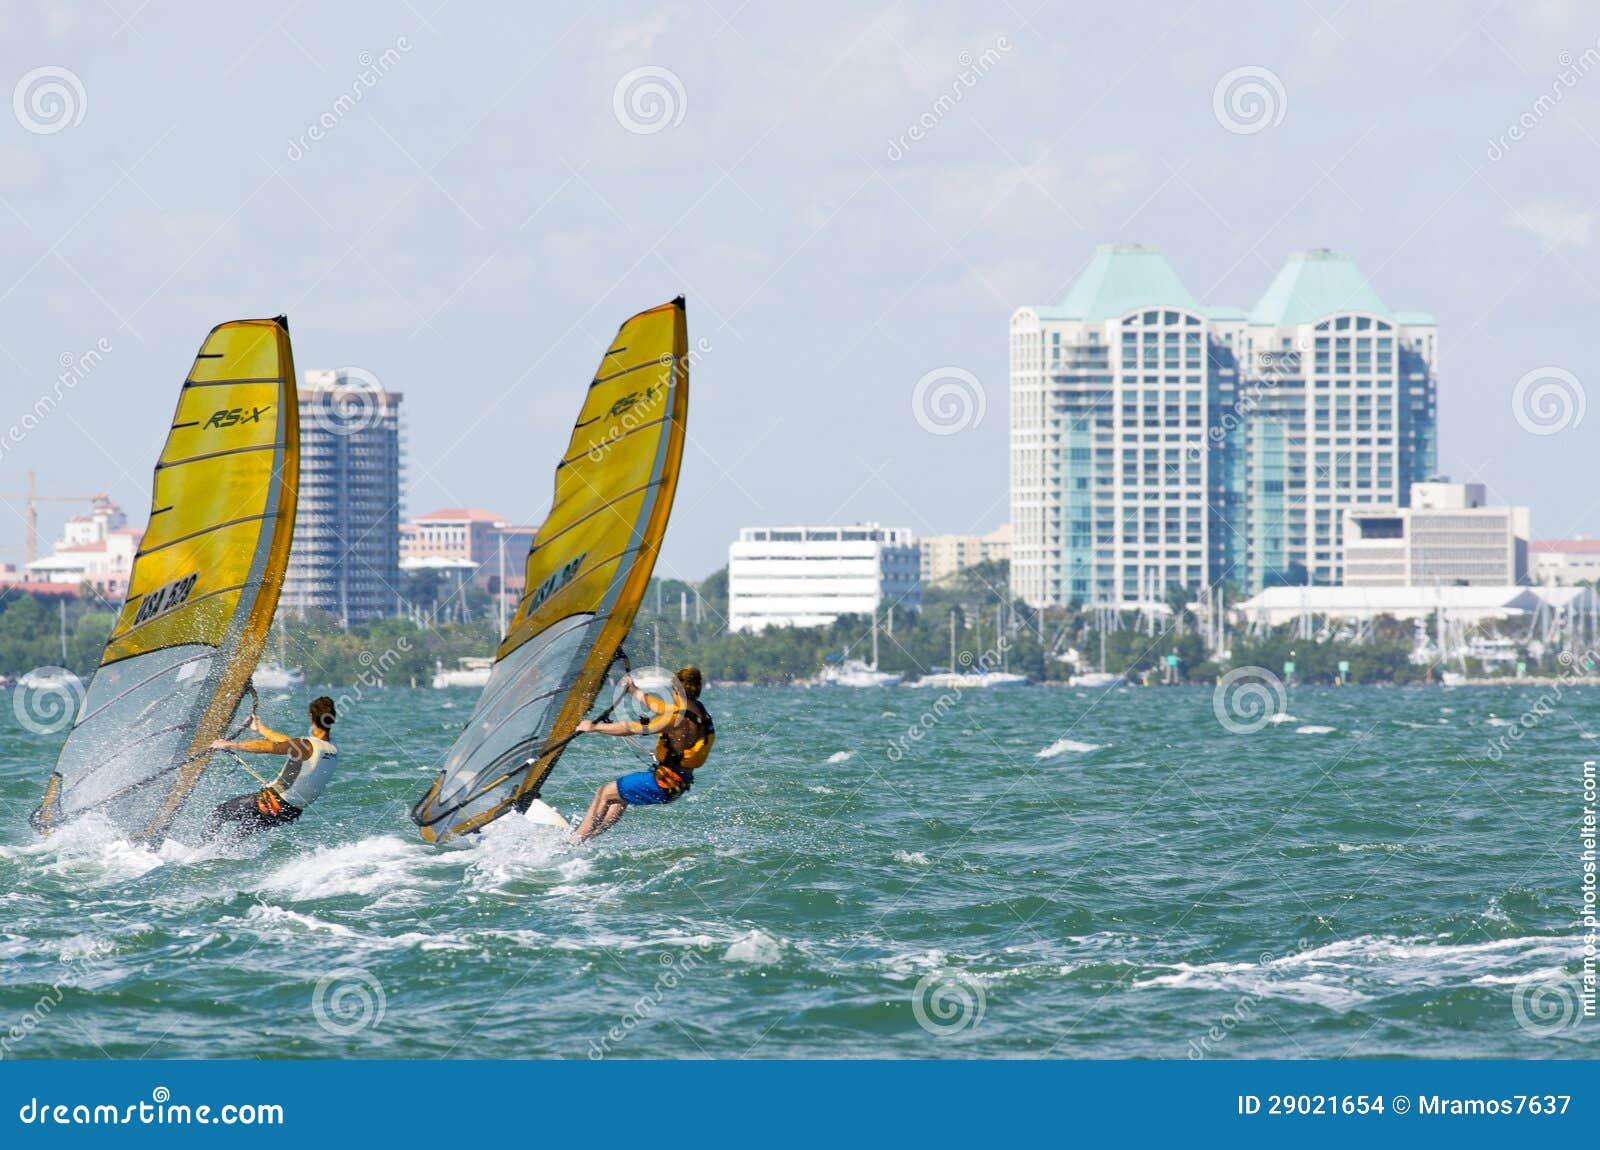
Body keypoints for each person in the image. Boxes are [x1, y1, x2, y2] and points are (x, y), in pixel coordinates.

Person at [572, 666, 714, 843]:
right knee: (618, 799)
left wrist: (593, 727)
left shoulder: (676, 719)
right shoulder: (699, 711)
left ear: (676, 689)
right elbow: (661, 707)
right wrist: (633, 690)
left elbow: (631, 728)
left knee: (603, 793)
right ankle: (589, 837)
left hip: (664, 783)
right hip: (678, 782)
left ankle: (575, 841)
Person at [203, 696, 339, 840]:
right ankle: (219, 857)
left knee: (219, 813)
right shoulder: (333, 747)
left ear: (311, 717)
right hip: (290, 812)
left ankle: (199, 849)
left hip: (273, 803)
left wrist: (229, 745)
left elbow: (268, 747)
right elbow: (288, 742)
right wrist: (260, 728)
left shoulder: (305, 745)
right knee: (238, 836)